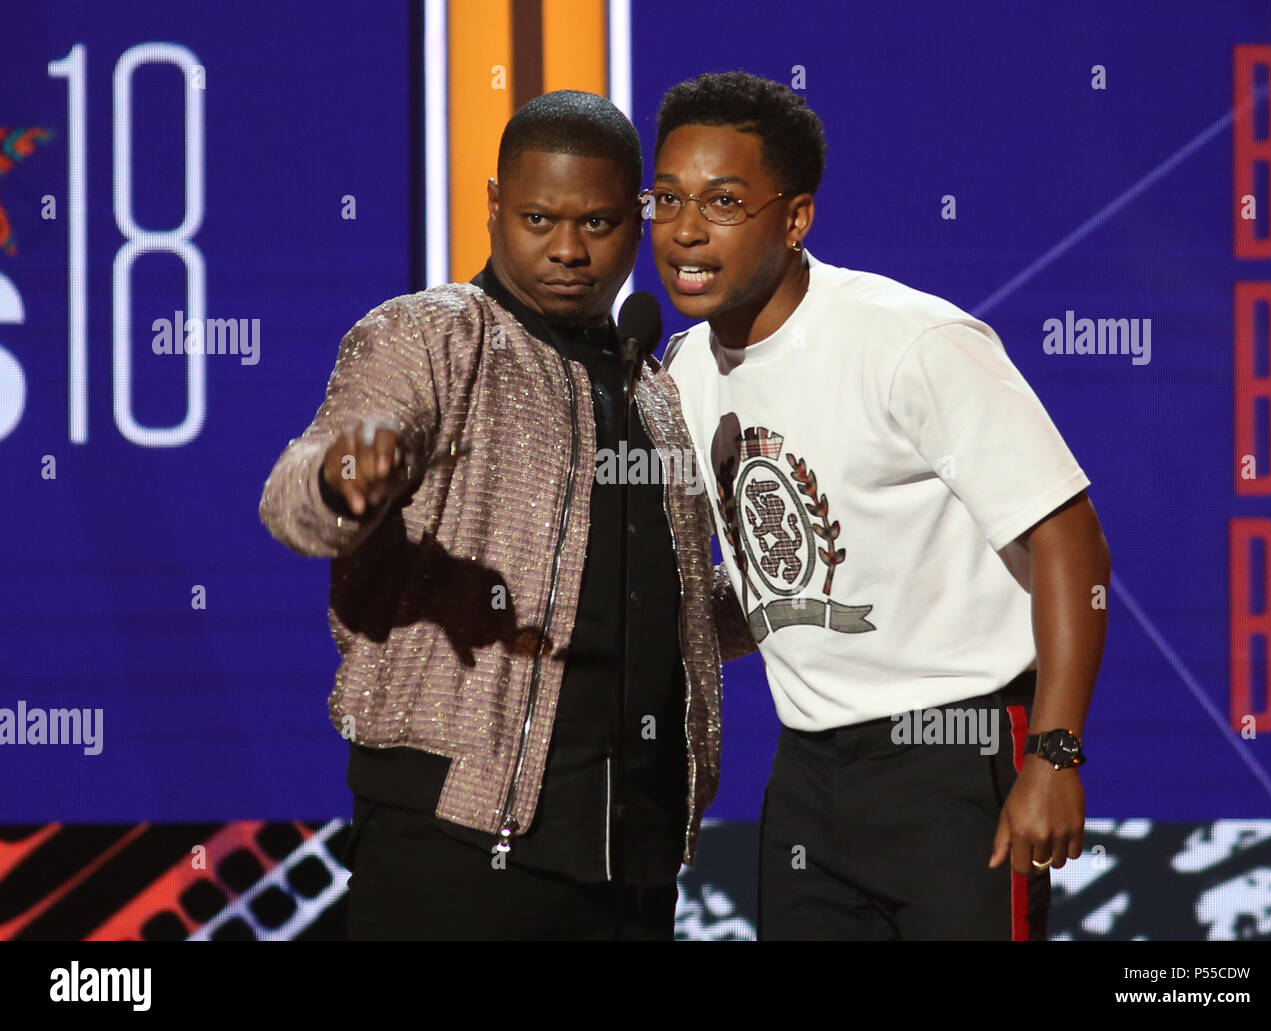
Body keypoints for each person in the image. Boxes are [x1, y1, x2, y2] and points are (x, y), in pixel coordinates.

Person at [259, 90, 747, 940]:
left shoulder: (654, 390)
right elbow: (296, 497)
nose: (567, 249)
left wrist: (798, 593)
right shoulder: (430, 338)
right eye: (536, 217)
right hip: (455, 845)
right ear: (492, 205)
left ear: (635, 222)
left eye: (596, 223)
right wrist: (343, 481)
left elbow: (656, 612)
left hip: (633, 854)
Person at [648, 71, 1110, 940]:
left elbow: (1072, 546)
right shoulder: (682, 374)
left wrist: (1053, 753)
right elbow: (771, 584)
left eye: (722, 201)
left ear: (794, 218)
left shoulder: (911, 343)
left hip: (957, 757)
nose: (683, 230)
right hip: (806, 776)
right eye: (666, 198)